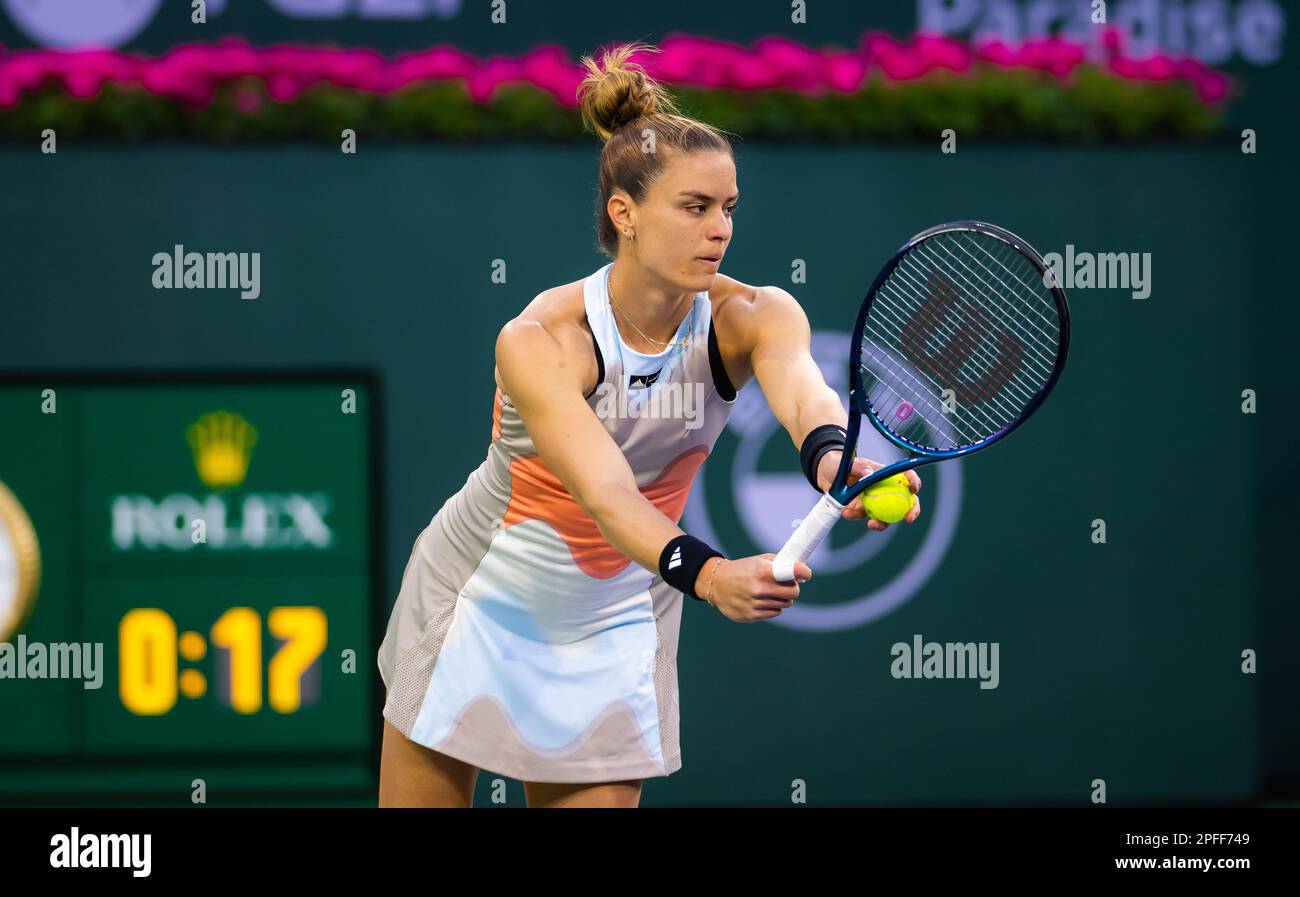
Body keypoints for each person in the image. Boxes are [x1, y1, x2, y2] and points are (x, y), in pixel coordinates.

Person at [376, 41, 922, 809]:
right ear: (623, 214)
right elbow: (604, 491)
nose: (719, 229)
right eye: (694, 208)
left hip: (618, 613)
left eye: (729, 208)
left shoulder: (754, 315)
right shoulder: (542, 339)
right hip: (479, 598)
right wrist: (710, 574)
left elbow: (806, 398)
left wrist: (837, 464)